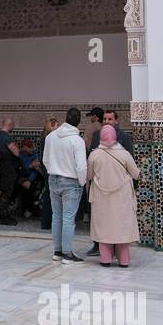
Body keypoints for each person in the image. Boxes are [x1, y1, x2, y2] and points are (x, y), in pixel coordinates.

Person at [86, 124, 140, 267]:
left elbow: (89, 175)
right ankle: (123, 260)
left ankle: (105, 259)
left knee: (104, 228)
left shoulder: (94, 155)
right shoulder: (124, 154)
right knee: (121, 227)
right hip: (122, 198)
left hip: (101, 198)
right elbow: (136, 174)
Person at [42, 107, 87, 263]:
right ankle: (67, 253)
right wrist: (82, 182)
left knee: (57, 217)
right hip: (71, 182)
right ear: (79, 120)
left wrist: (53, 171)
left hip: (53, 179)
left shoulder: (51, 137)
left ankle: (58, 251)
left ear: (65, 118)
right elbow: (81, 166)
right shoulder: (77, 141)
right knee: (68, 218)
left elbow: (45, 160)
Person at [0, 117, 20, 226]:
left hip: (3, 167)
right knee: (7, 192)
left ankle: (4, 215)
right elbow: (16, 153)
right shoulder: (5, 137)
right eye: (13, 125)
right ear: (9, 125)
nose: (13, 128)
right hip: (9, 169)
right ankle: (3, 217)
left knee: (4, 191)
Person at [37, 118, 58, 231]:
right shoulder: (50, 138)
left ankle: (46, 222)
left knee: (48, 193)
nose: (58, 128)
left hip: (46, 166)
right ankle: (46, 222)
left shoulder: (44, 136)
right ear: (53, 125)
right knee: (50, 194)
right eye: (57, 125)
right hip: (50, 167)